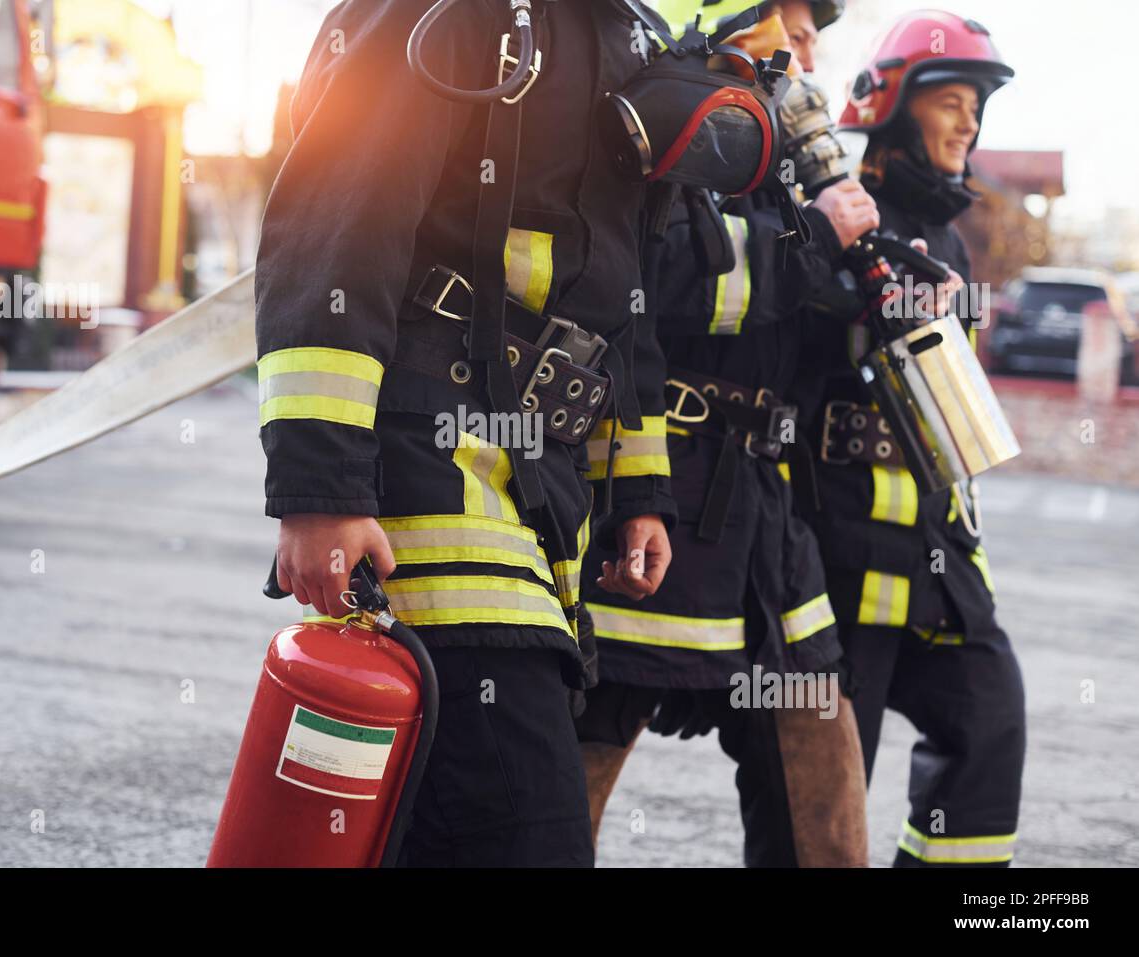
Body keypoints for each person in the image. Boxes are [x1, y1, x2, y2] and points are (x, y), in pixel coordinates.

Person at [255, 0, 677, 866]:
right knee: (530, 834)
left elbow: (624, 305)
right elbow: (334, 232)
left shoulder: (627, 35)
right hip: (428, 476)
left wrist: (636, 488)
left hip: (544, 503)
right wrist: (321, 492)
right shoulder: (442, 13)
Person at [575, 0, 877, 867]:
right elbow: (664, 279)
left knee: (823, 772)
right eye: (798, 18)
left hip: (762, 516)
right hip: (655, 488)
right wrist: (817, 243)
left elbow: (795, 330)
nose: (812, 43)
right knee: (569, 778)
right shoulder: (672, 114)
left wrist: (875, 292)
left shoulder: (781, 160)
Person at [793, 9, 1026, 867]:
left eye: (978, 104)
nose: (971, 120)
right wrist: (854, 287)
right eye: (954, 99)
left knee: (990, 721)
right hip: (841, 556)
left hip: (937, 555)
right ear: (891, 103)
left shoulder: (953, 242)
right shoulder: (842, 215)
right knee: (823, 800)